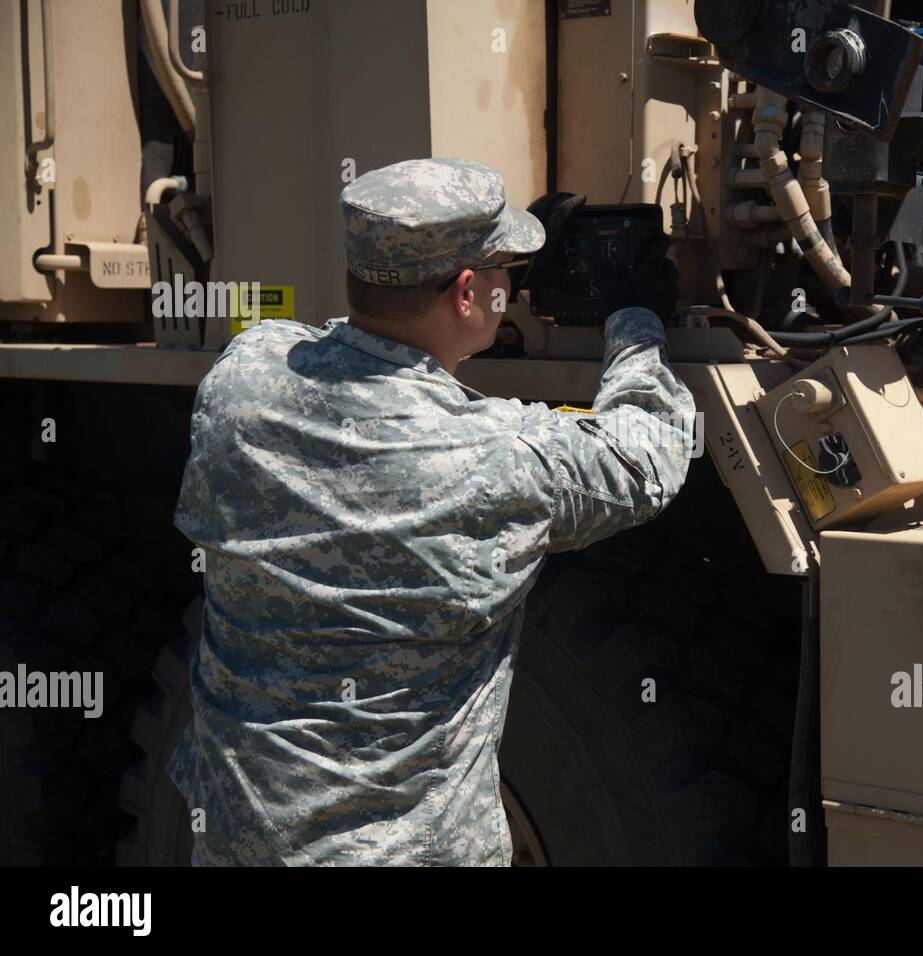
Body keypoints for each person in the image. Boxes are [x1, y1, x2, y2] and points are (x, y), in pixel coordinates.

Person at [167, 157, 695, 865]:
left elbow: (327, 340)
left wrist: (449, 298)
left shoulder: (239, 383)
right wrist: (635, 318)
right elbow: (649, 453)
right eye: (504, 267)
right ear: (468, 292)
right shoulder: (495, 458)